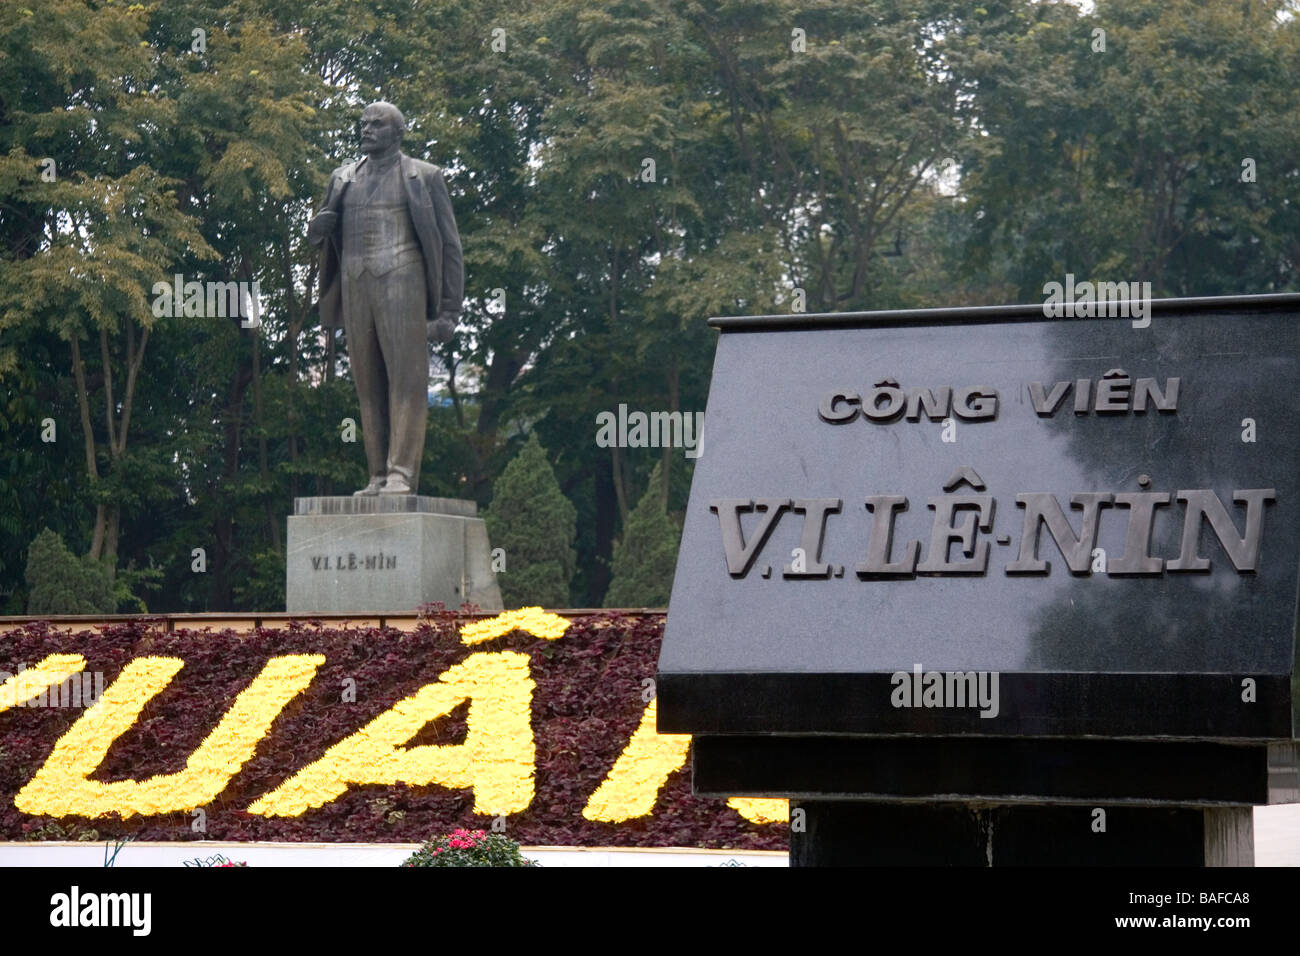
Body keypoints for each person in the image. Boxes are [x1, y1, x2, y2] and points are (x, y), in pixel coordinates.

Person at [307, 101, 463, 495]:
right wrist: (316, 229)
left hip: (404, 280)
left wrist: (448, 310)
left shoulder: (424, 177)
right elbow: (321, 236)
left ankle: (401, 474)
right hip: (356, 283)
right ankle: (377, 473)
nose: (367, 129)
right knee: (367, 385)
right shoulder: (342, 178)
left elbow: (449, 245)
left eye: (377, 124)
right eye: (363, 124)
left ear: (398, 133)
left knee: (406, 382)